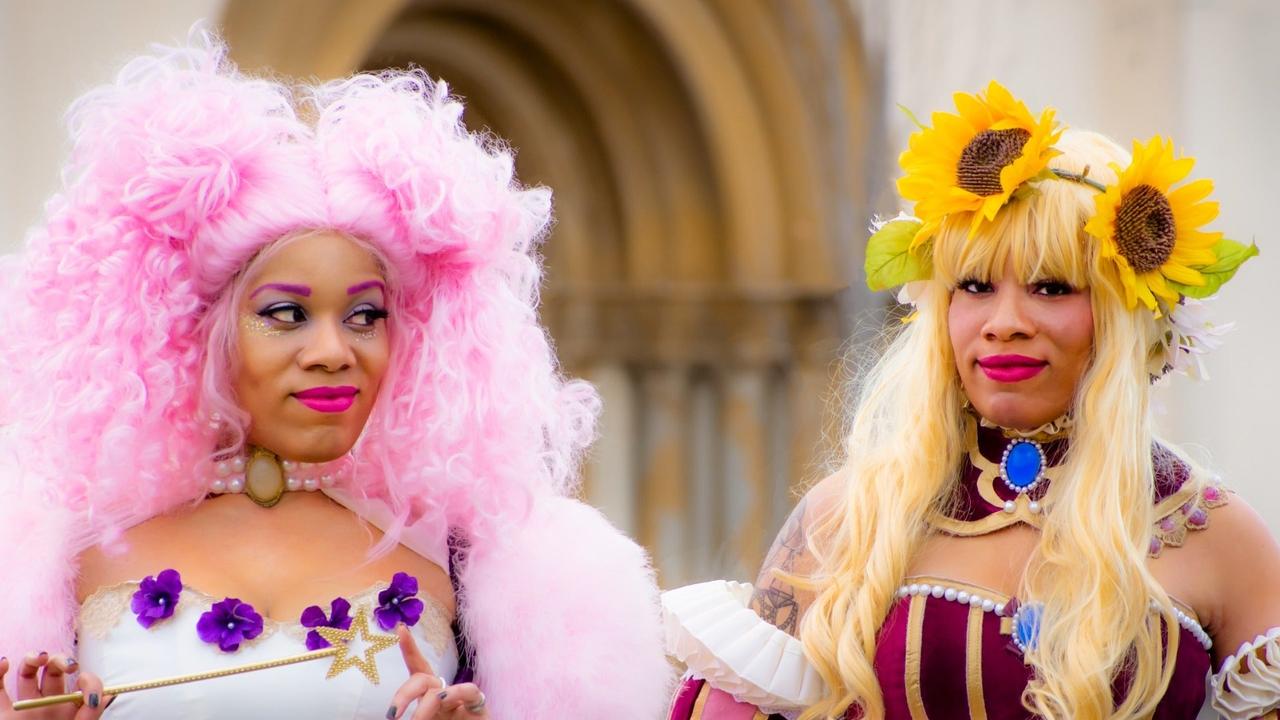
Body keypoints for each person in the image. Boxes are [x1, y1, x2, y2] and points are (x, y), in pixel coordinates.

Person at [0, 33, 672, 719]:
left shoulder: (499, 569)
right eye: (286, 314)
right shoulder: (41, 560)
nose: (333, 351)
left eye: (365, 316)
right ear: (197, 330)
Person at [661, 81, 1280, 719]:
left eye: (1051, 287)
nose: (1004, 322)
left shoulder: (1219, 537)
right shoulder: (845, 519)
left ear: (1125, 317)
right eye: (976, 285)